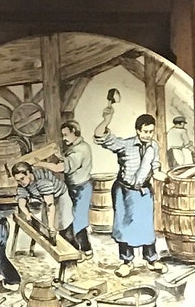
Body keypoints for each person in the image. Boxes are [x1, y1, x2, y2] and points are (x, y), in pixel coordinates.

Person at [95, 97, 163, 265]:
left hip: (143, 192)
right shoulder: (125, 145)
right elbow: (100, 137)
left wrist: (163, 176)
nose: (148, 135)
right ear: (138, 131)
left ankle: (152, 259)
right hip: (124, 191)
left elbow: (155, 168)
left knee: (146, 226)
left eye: (151, 132)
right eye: (145, 131)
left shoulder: (154, 147)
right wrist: (106, 120)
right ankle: (127, 262)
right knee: (124, 227)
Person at [60, 118, 95, 253]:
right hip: (74, 187)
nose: (64, 138)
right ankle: (78, 249)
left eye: (66, 135)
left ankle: (85, 250)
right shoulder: (74, 147)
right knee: (71, 216)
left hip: (81, 188)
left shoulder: (80, 149)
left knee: (78, 220)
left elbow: (65, 166)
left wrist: (40, 163)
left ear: (74, 132)